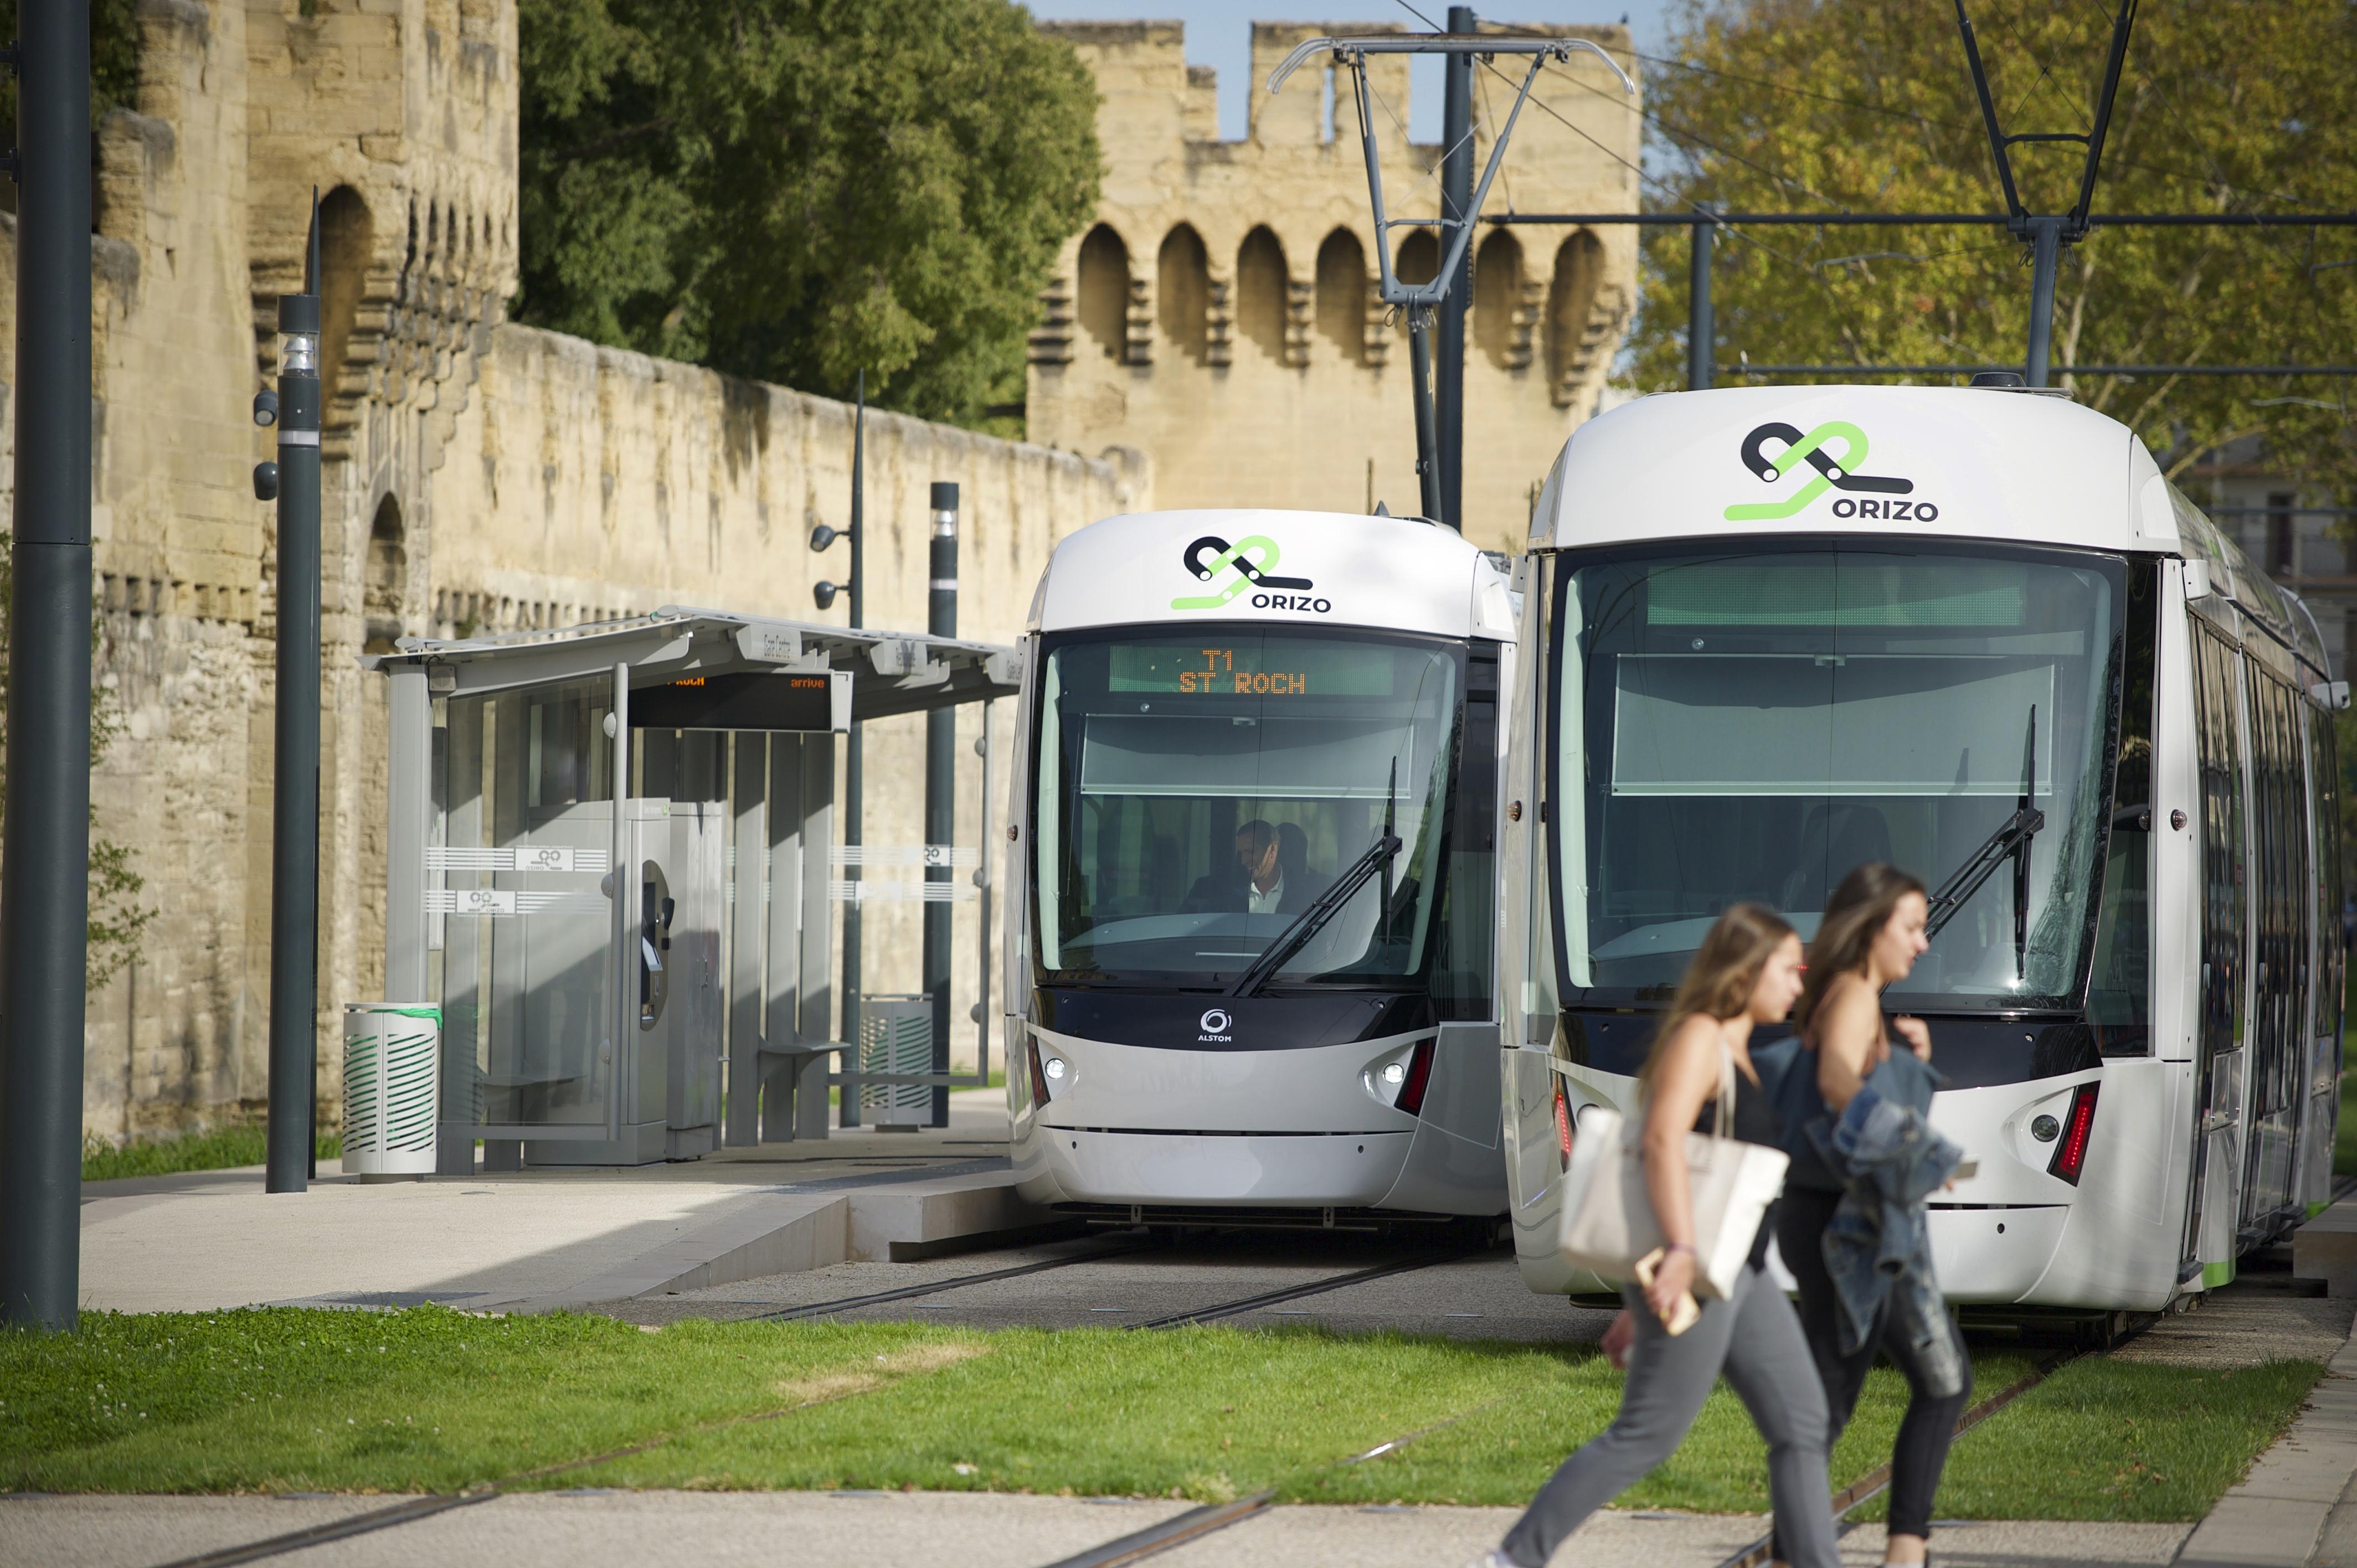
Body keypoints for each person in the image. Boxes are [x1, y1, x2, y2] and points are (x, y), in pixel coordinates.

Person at [1465, 904, 1841, 1568]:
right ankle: (1513, 1558)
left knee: (1802, 1423)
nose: (1797, 981)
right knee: (1646, 1434)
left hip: (1738, 1272)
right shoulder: (1699, 1036)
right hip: (1698, 1267)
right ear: (1745, 970)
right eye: (1788, 968)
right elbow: (1662, 1142)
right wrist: (1678, 1255)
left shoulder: (1736, 1046)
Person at [1772, 863, 1968, 1568]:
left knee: (1835, 1386)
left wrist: (1911, 1063)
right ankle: (1899, 1553)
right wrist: (1912, 1151)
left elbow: (1853, 1084)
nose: (1920, 943)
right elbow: (1834, 1082)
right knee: (1938, 1382)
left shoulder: (1846, 995)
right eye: (1910, 928)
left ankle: (1815, 1548)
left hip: (1825, 1214)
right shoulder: (1853, 993)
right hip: (1849, 1223)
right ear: (1870, 927)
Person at [1180, 818, 1325, 916]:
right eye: (1241, 853)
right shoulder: (1215, 891)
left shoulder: (1310, 894)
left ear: (1273, 849)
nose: (1244, 860)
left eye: (1251, 852)